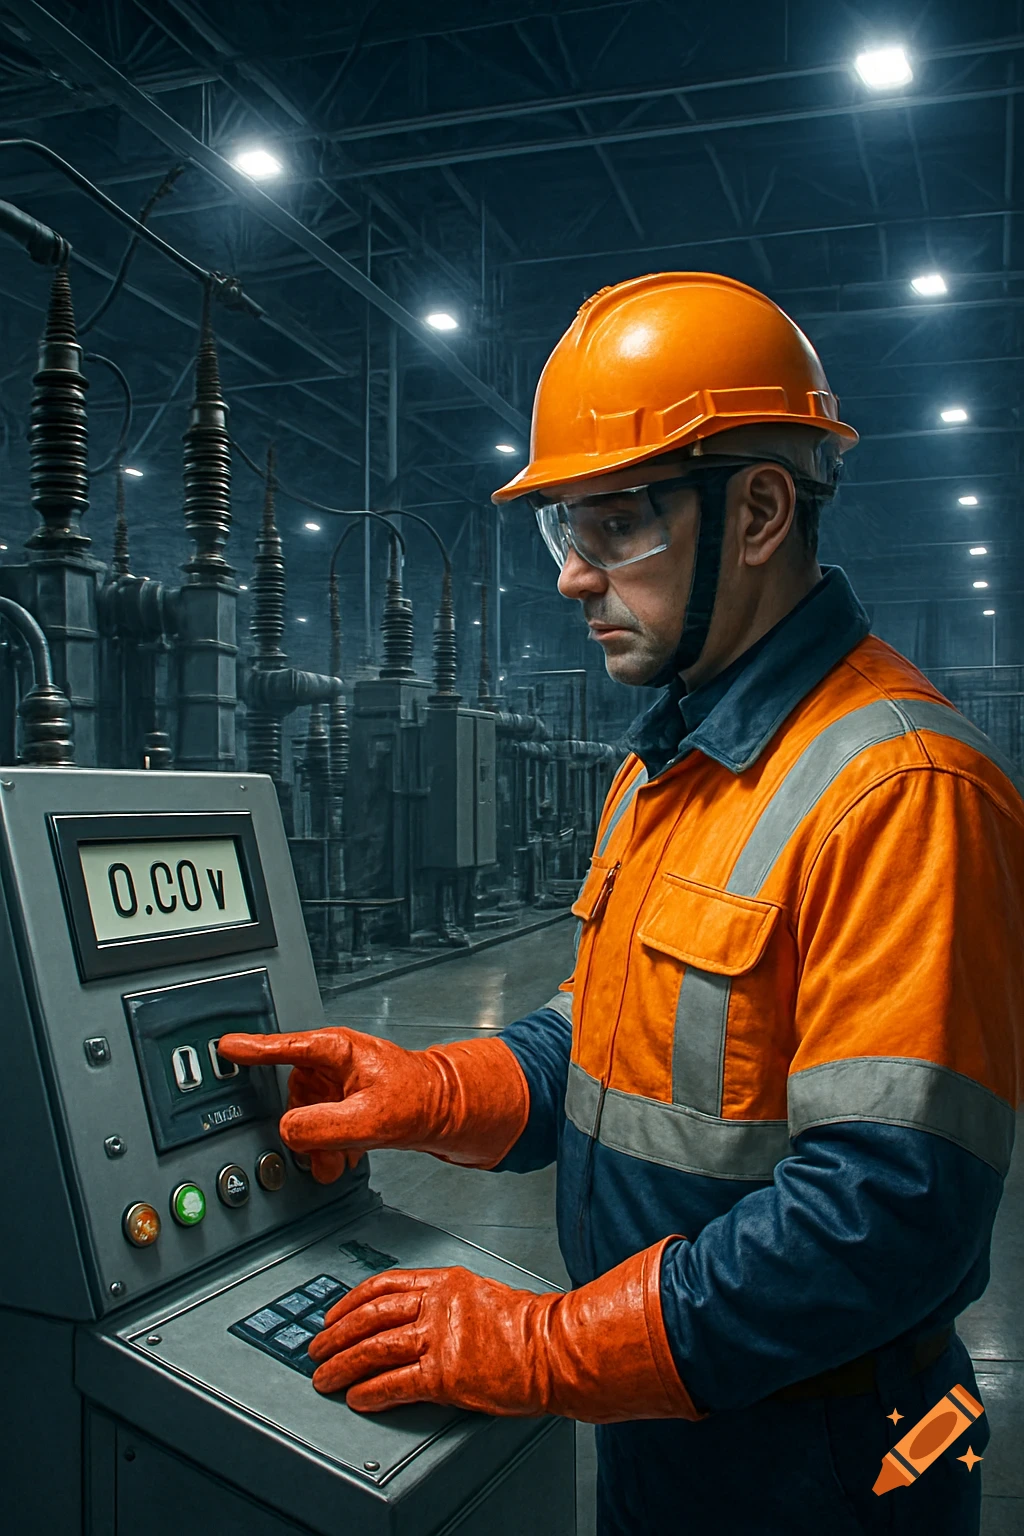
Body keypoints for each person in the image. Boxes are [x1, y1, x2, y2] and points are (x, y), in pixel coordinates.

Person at [221, 273, 1024, 1535]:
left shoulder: (900, 790)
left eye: (613, 526)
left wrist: (545, 1344)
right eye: (562, 533)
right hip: (668, 1428)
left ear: (758, 510)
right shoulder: (669, 772)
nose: (572, 579)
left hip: (824, 1463)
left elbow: (885, 1219)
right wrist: (428, 1093)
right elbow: (598, 1039)